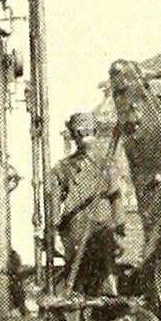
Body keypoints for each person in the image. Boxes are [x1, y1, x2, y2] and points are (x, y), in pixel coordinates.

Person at [48, 111, 124, 295]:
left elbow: (116, 198)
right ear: (73, 136)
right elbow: (54, 202)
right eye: (79, 132)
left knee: (105, 280)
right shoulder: (63, 168)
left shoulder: (108, 165)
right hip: (75, 230)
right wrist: (55, 232)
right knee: (76, 280)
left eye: (87, 131)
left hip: (102, 229)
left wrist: (119, 231)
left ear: (95, 132)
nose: (83, 137)